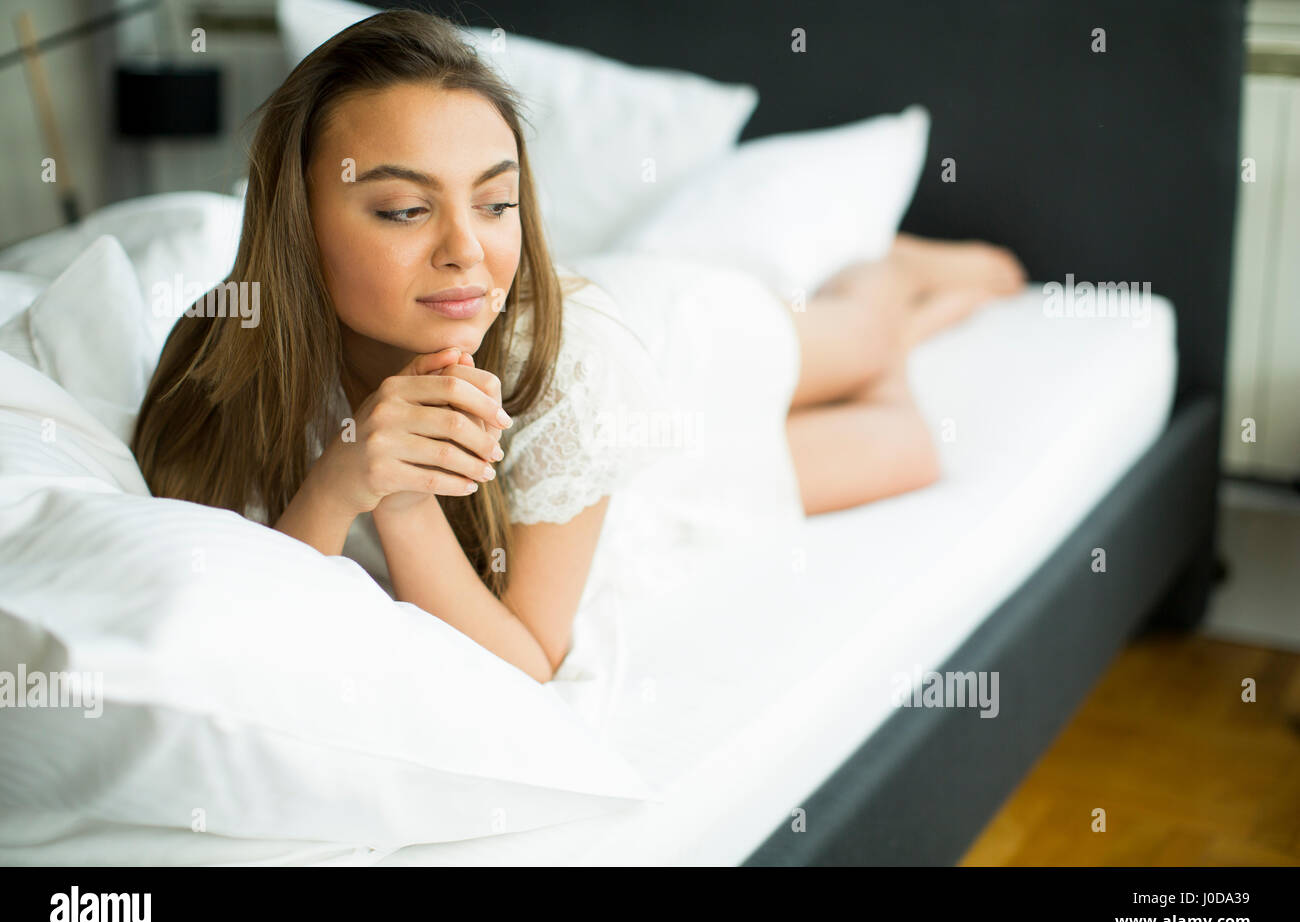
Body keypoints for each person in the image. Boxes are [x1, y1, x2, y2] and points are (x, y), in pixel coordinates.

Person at [130, 9, 1025, 684]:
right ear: (297, 224)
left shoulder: (576, 369)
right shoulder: (221, 349)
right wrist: (347, 480)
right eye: (405, 209)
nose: (466, 251)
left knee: (868, 351)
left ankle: (900, 280)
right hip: (641, 480)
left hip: (675, 348)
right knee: (901, 443)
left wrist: (400, 498)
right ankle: (903, 311)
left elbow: (524, 668)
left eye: (494, 203)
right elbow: (253, 619)